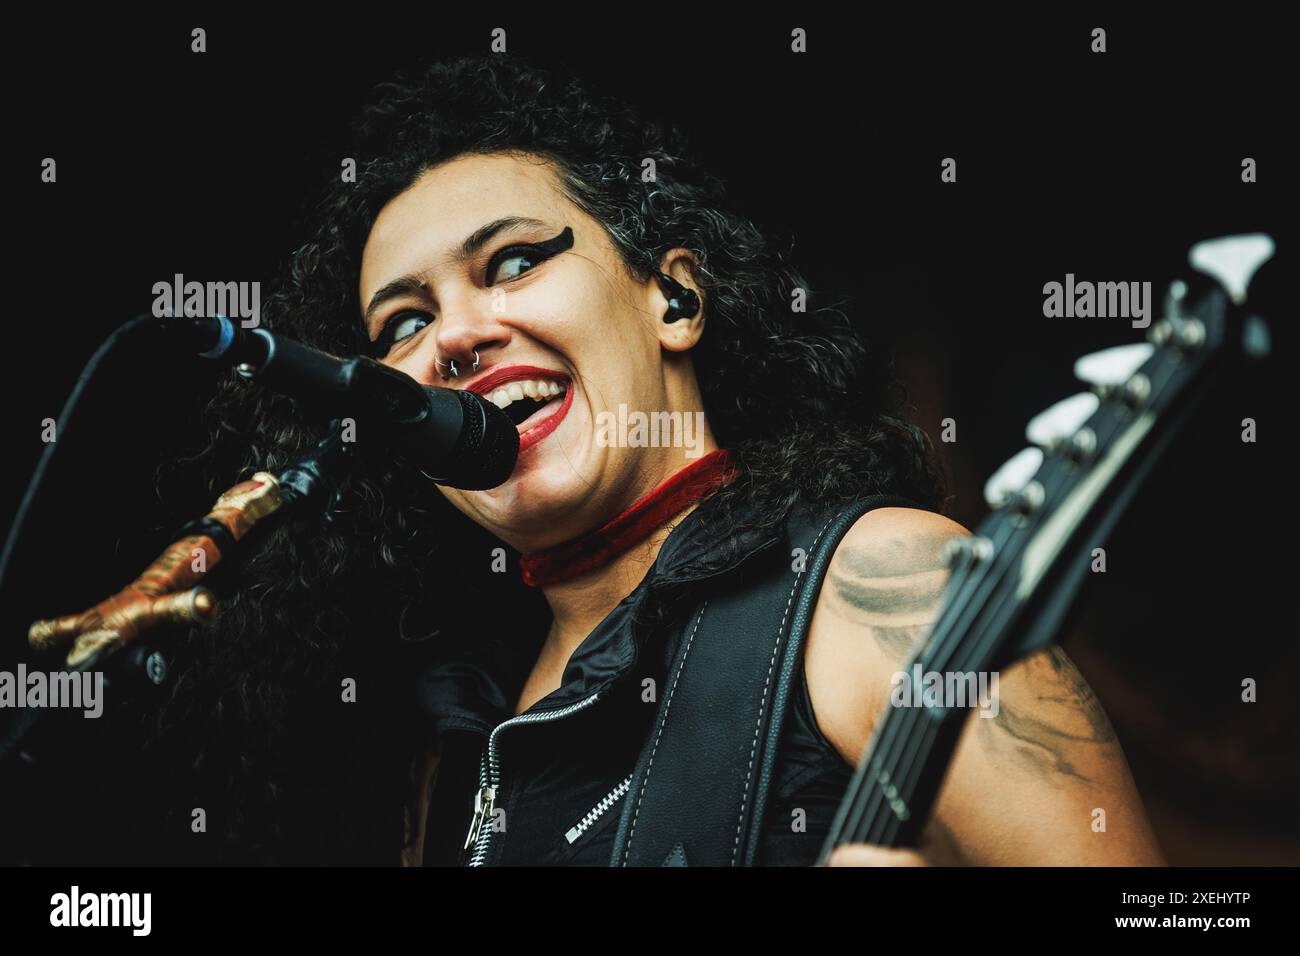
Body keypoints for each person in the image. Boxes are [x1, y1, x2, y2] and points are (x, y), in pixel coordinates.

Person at [149, 54, 1163, 867]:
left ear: (673, 300)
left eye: (511, 260)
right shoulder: (457, 744)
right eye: (402, 321)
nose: (453, 337)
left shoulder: (878, 582)